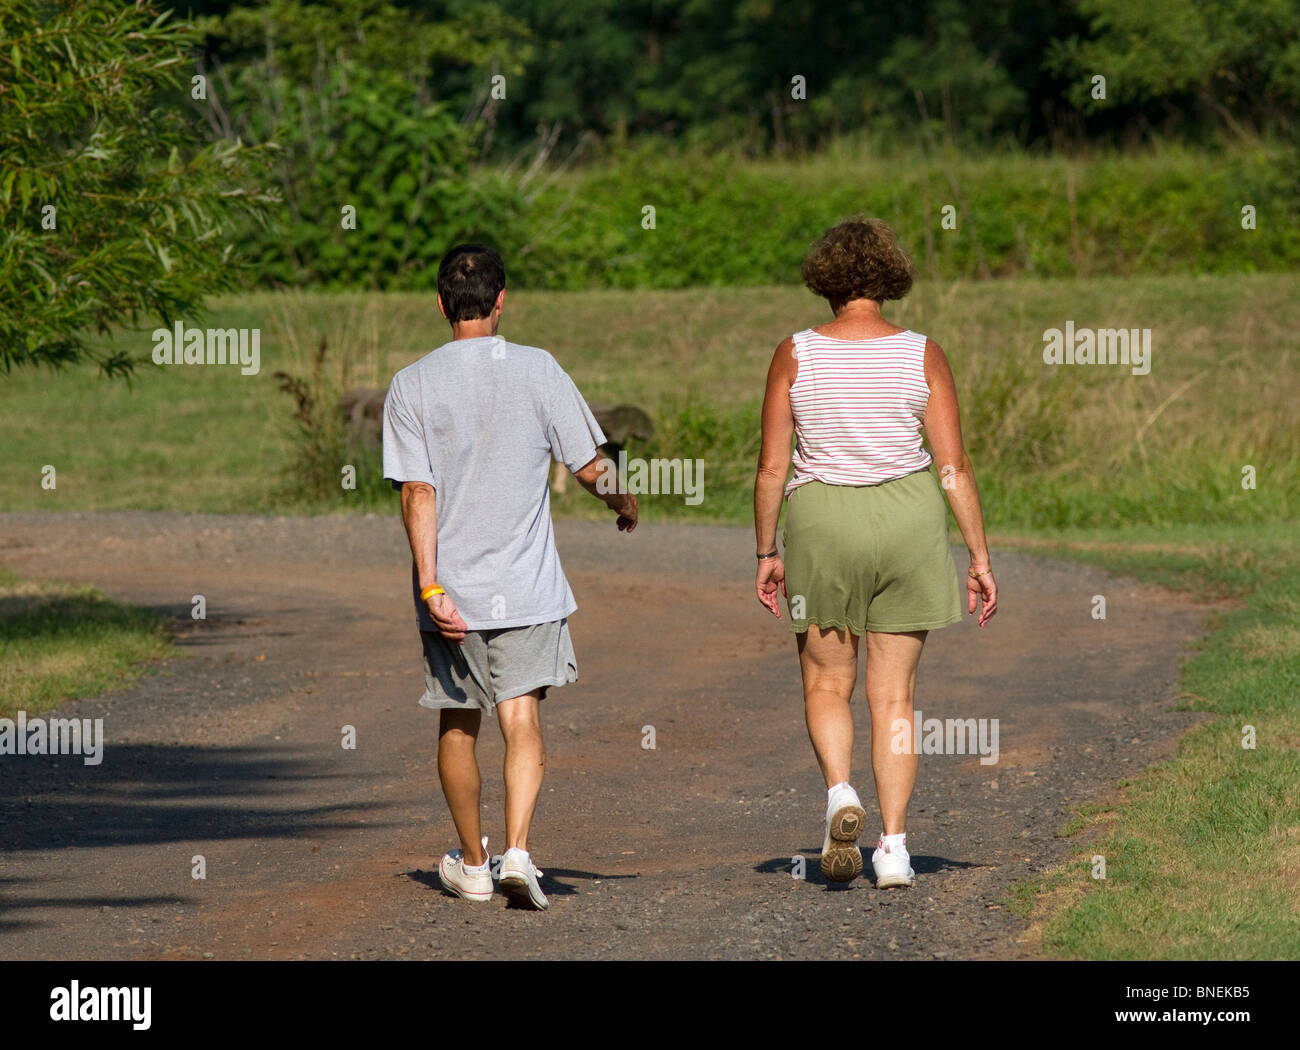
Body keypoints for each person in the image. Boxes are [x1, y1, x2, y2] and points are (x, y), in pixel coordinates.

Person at [383, 244, 637, 910]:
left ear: (441, 305)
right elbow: (589, 465)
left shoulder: (411, 384)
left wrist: (431, 585)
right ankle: (519, 852)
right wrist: (623, 500)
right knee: (521, 717)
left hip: (452, 592)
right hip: (526, 587)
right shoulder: (537, 369)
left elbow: (417, 490)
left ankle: (473, 864)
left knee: (457, 723)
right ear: (502, 302)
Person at [753, 217, 997, 888]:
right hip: (907, 521)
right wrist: (978, 556)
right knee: (895, 699)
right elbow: (954, 467)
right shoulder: (922, 352)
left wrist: (765, 551)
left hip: (822, 520)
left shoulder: (794, 352)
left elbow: (773, 468)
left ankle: (840, 794)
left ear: (824, 278)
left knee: (828, 682)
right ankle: (892, 848)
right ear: (890, 276)